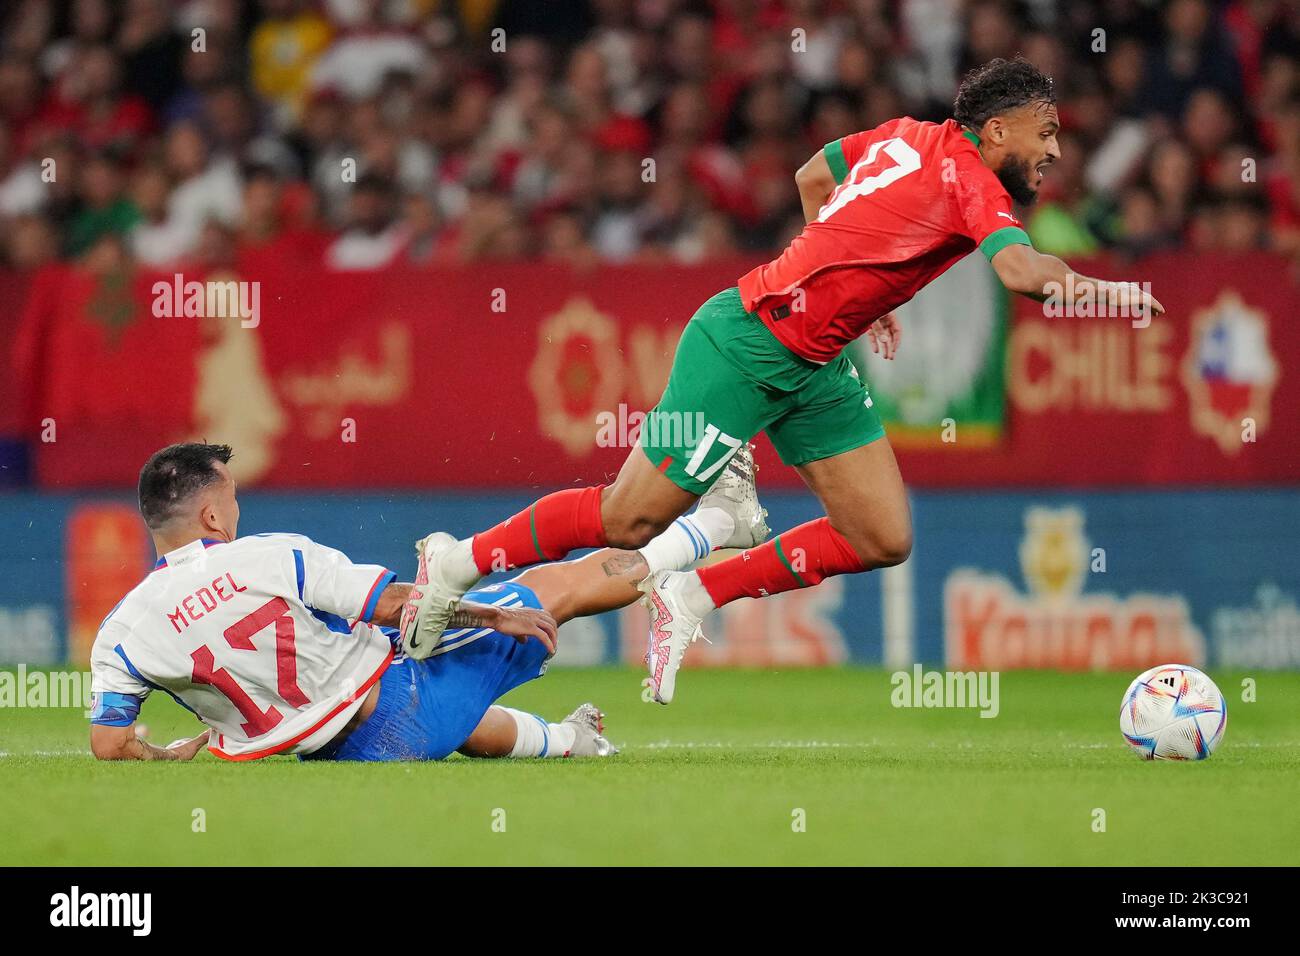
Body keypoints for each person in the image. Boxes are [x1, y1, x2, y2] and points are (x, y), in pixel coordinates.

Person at [399, 58, 1165, 705]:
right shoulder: (971, 179)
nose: (1056, 150)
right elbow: (1022, 273)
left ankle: (697, 589)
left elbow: (813, 175)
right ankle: (458, 561)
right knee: (626, 520)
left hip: (817, 357)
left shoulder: (906, 134)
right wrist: (1108, 293)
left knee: (882, 535)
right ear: (998, 130)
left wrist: (846, 281)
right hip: (743, 341)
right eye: (1047, 132)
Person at [88, 441, 767, 762]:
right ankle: (712, 529)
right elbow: (392, 606)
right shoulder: (266, 555)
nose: (239, 503)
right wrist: (492, 613)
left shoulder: (122, 631)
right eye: (230, 493)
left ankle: (570, 742)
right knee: (557, 585)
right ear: (210, 514)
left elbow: (108, 740)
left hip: (333, 753)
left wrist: (163, 757)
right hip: (396, 708)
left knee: (427, 674)